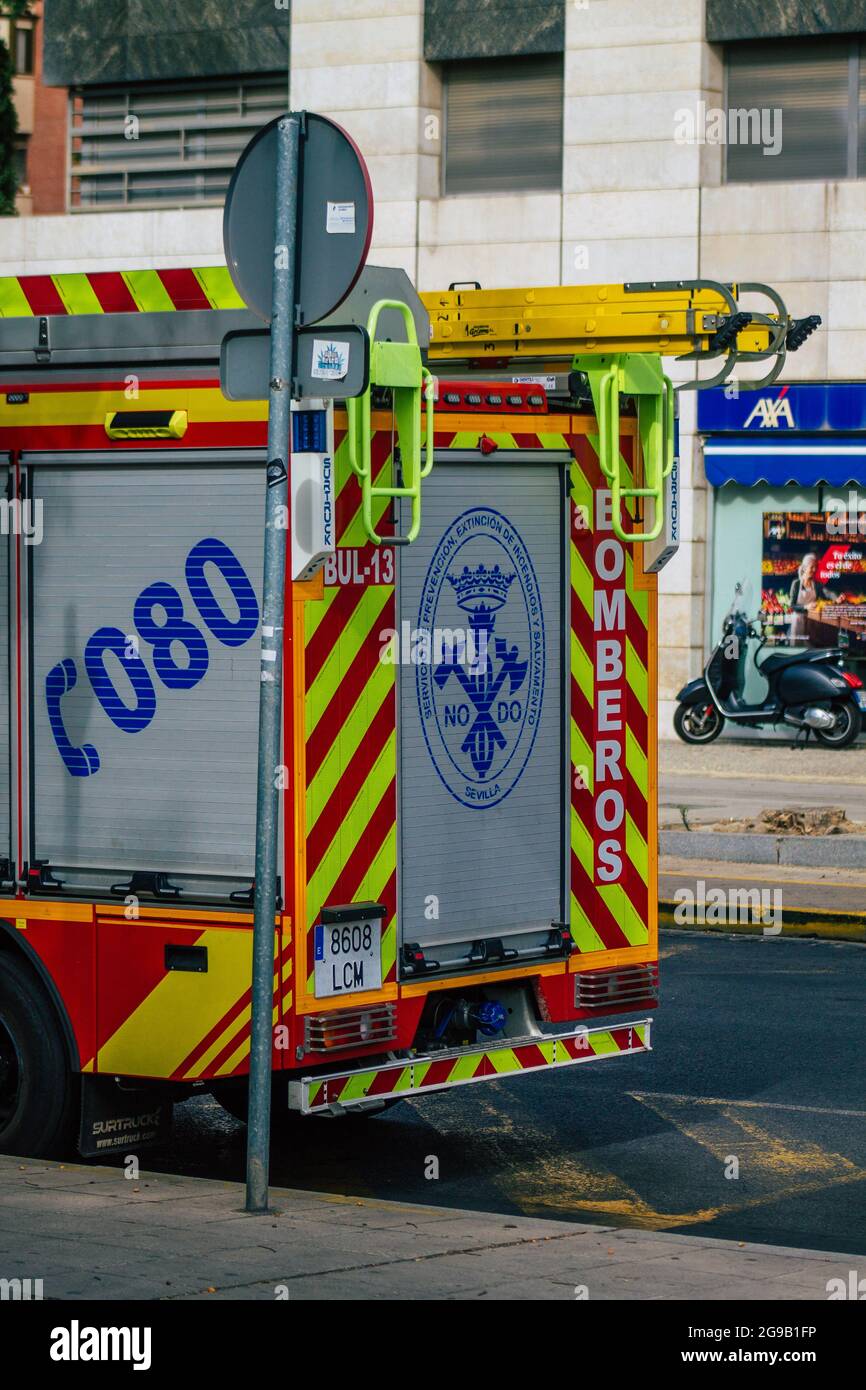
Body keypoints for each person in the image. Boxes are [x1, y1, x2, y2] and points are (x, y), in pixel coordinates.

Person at [788, 553, 835, 641]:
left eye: (815, 567)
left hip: (812, 622)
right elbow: (792, 605)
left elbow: (827, 594)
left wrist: (836, 598)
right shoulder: (796, 584)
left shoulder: (816, 585)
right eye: (812, 567)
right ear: (805, 568)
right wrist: (806, 606)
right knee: (798, 646)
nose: (814, 570)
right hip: (798, 622)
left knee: (810, 645)